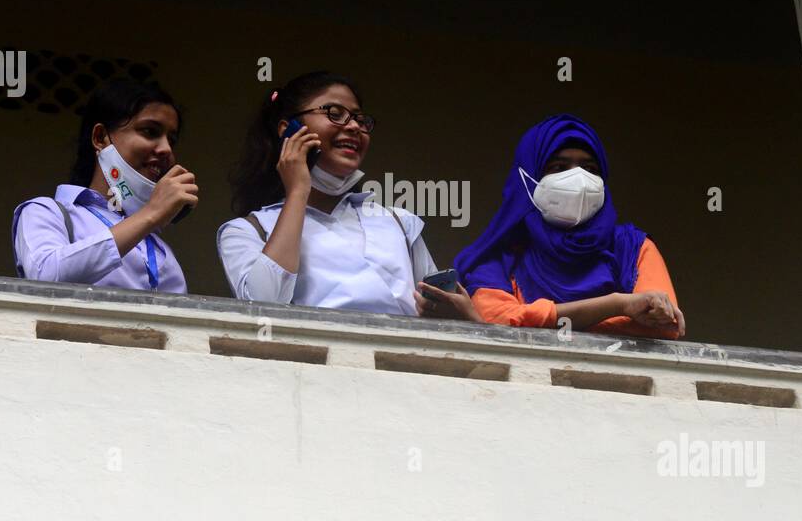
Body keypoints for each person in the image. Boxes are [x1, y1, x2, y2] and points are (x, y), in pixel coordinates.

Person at [218, 71, 479, 320]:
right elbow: (263, 310)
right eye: (335, 113)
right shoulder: (246, 231)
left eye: (359, 119)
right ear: (289, 129)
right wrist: (298, 191)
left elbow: (440, 318)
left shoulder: (399, 222)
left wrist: (464, 316)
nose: (354, 126)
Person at [454, 114, 685, 338]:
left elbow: (664, 325)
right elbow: (497, 322)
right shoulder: (500, 256)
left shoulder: (633, 248)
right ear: (528, 178)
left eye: (590, 169)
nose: (578, 178)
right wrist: (619, 305)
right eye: (559, 167)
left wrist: (541, 321)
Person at [11, 80, 198, 292]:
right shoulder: (46, 211)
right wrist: (151, 213)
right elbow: (44, 278)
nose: (166, 149)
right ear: (100, 138)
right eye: (149, 131)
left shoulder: (157, 245)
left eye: (171, 140)